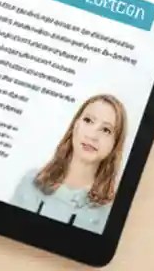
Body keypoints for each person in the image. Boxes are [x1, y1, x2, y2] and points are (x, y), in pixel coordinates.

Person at [10, 94, 128, 233]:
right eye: (88, 120)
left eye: (106, 130)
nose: (92, 135)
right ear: (75, 125)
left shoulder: (110, 212)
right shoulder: (31, 182)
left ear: (115, 144)